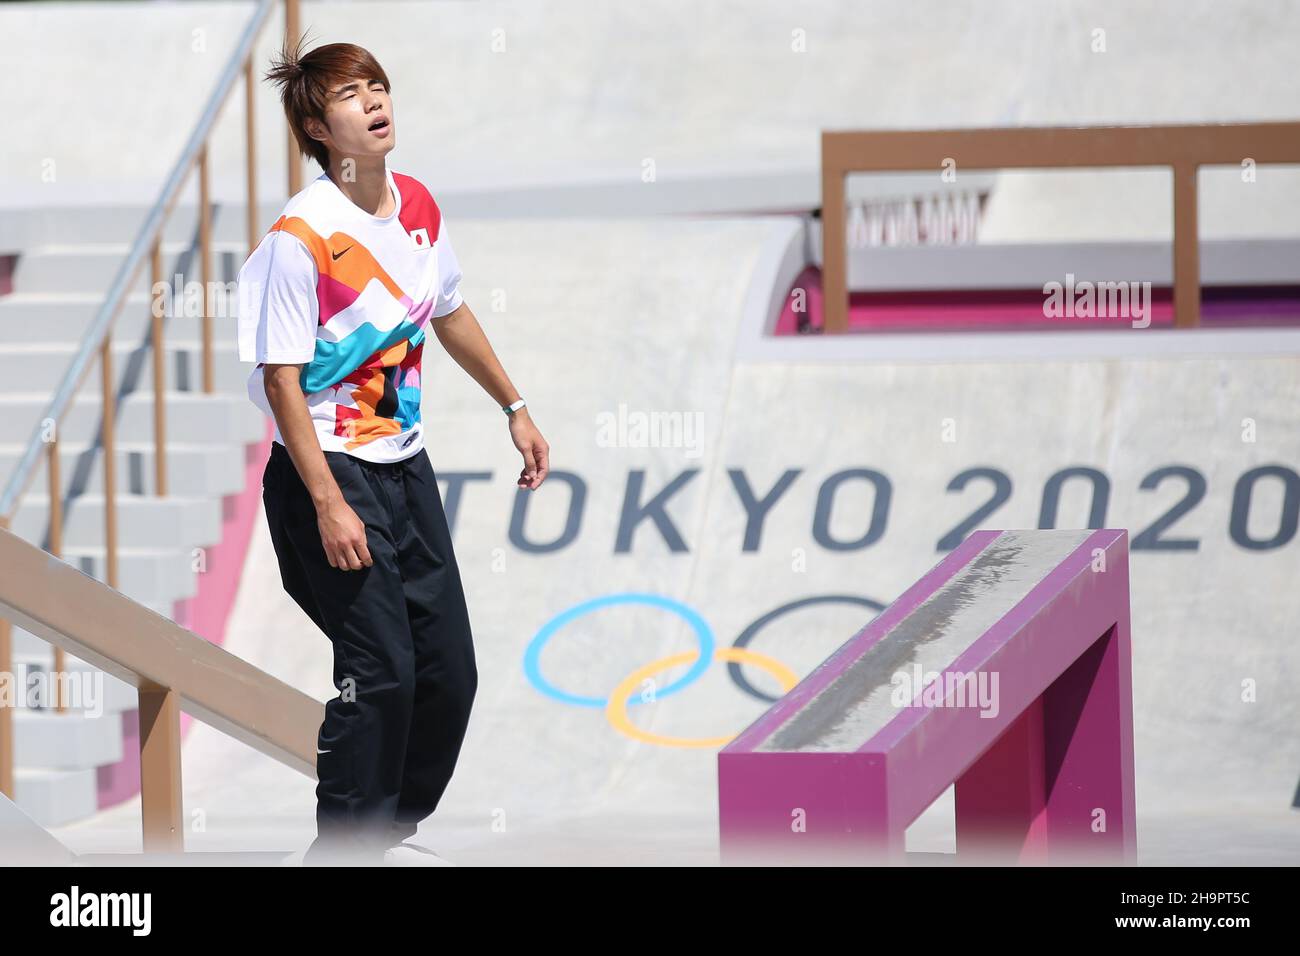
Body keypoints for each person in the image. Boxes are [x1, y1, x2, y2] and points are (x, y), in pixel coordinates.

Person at [236, 37, 549, 865]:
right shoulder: (300, 239)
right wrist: (329, 501)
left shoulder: (414, 207)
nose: (375, 102)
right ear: (317, 125)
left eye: (378, 86)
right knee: (381, 676)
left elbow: (448, 311)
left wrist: (513, 405)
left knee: (449, 675)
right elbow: (280, 381)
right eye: (351, 95)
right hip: (324, 473)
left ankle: (382, 837)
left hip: (404, 468)